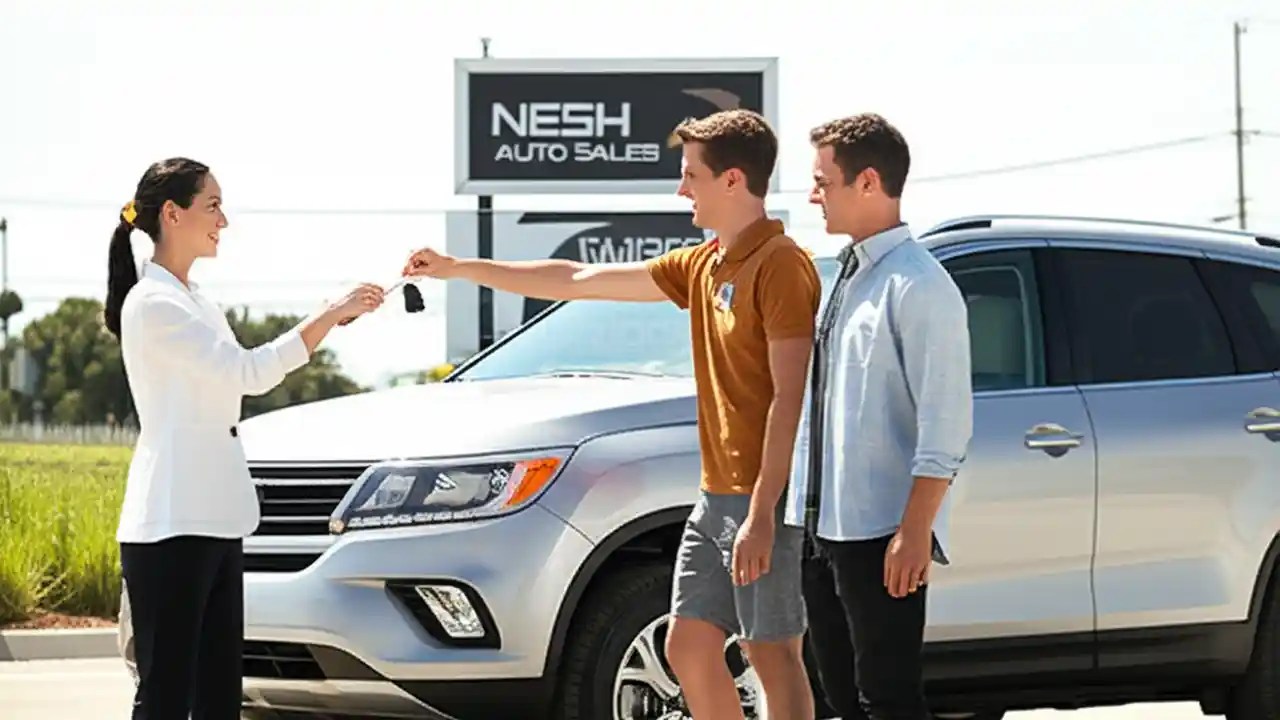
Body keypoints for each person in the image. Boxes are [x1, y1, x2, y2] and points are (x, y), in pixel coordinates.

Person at [402, 110, 819, 720]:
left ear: (733, 180)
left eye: (691, 176)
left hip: (764, 498)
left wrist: (761, 513)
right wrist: (459, 268)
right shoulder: (703, 264)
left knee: (772, 652)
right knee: (687, 645)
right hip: (713, 496)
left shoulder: (780, 263)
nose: (681, 190)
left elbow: (790, 397)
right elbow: (577, 277)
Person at [105, 157, 385, 719]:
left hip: (215, 519)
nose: (223, 221)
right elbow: (248, 373)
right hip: (171, 524)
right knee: (165, 699)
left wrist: (330, 319)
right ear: (172, 214)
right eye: (212, 206)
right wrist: (328, 314)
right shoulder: (154, 304)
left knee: (218, 700)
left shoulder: (196, 301)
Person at [784, 113, 973, 720]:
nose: (813, 195)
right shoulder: (847, 276)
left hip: (880, 535)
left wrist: (914, 531)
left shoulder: (919, 286)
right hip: (823, 531)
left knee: (888, 702)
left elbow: (947, 423)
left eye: (823, 182)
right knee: (841, 702)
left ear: (867, 182)